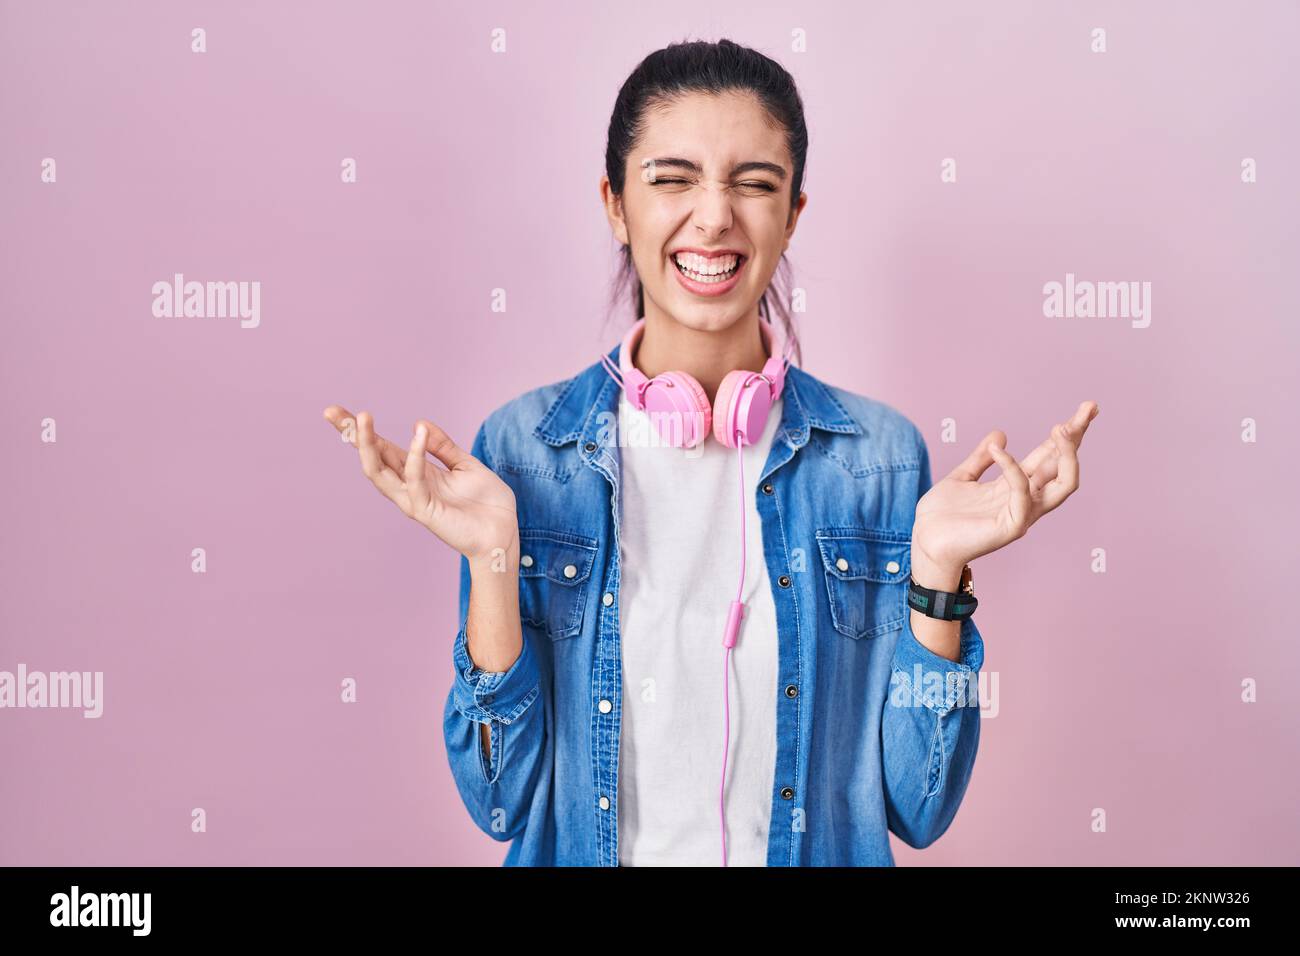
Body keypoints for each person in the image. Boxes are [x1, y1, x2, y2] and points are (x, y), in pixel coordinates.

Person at [322, 39, 1097, 866]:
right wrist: (494, 560)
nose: (715, 215)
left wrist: (938, 574)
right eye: (672, 178)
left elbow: (919, 805)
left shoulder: (878, 461)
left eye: (755, 183)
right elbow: (501, 801)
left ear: (793, 213)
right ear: (615, 204)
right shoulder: (522, 453)